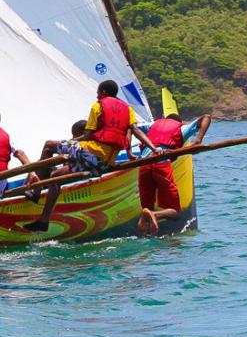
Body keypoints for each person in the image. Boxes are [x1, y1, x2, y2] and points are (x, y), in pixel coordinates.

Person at [25, 82, 158, 232]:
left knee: (49, 145)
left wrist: (71, 142)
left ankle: (35, 192)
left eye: (97, 92)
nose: (96, 95)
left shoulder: (98, 106)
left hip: (91, 153)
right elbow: (135, 130)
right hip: (106, 162)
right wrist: (153, 148)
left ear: (103, 92)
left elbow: (88, 135)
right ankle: (43, 221)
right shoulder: (128, 109)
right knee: (56, 177)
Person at [136, 109, 211, 234]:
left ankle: (147, 217)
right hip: (161, 164)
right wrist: (198, 141)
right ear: (179, 122)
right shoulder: (180, 128)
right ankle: (154, 215)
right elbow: (206, 117)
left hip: (144, 164)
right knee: (175, 212)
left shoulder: (152, 125)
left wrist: (129, 151)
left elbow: (131, 127)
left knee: (146, 208)